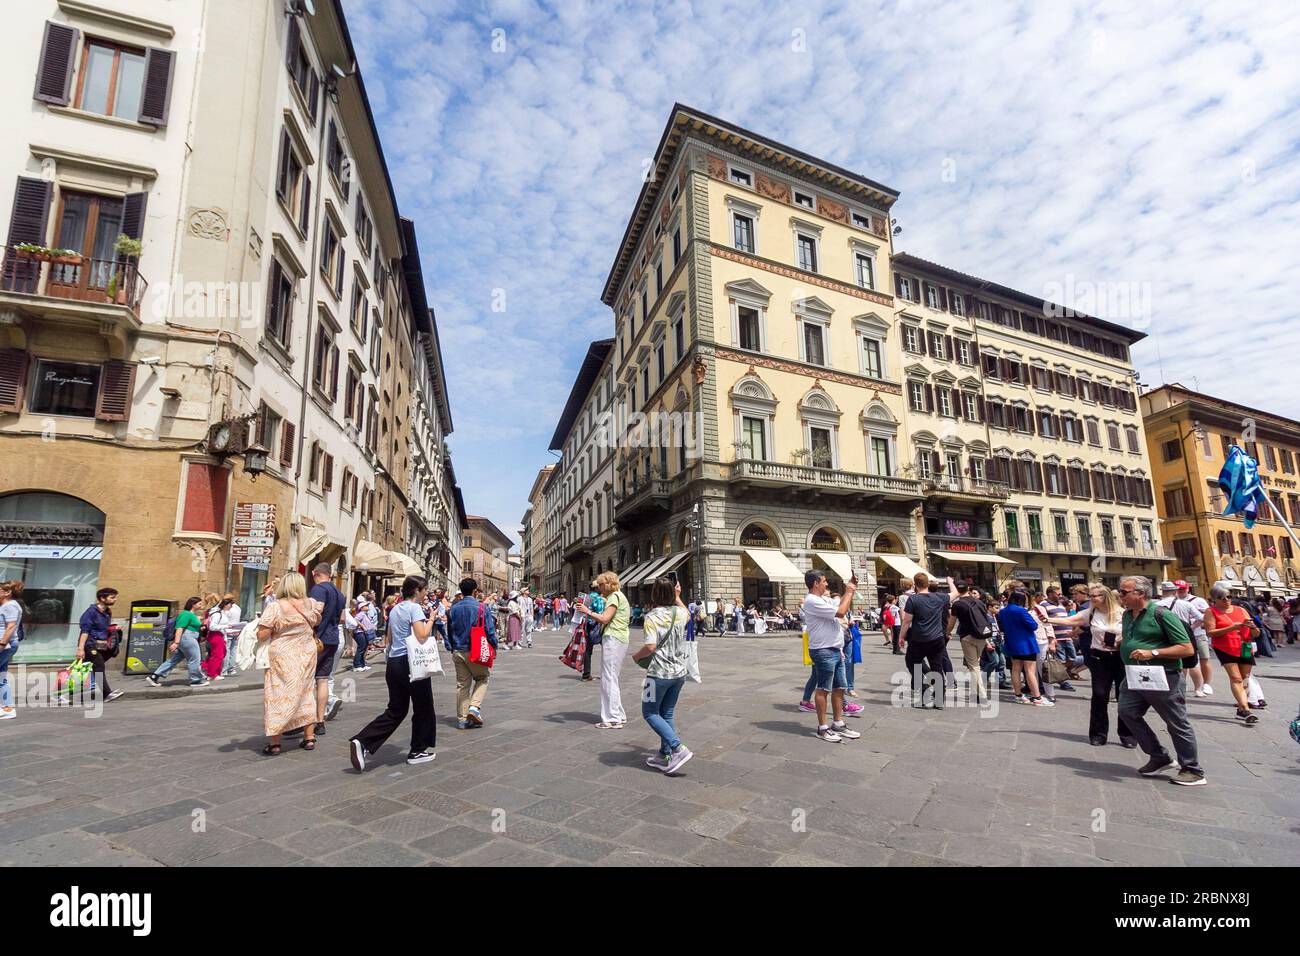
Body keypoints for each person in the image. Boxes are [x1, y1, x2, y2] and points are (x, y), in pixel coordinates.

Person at [1116, 576, 1206, 786]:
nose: (1120, 595)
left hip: (1164, 675)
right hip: (1134, 675)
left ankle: (1192, 769)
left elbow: (1186, 648)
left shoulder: (1162, 614)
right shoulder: (1129, 614)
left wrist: (1152, 652)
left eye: (1124, 592)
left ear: (1140, 593)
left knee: (1176, 722)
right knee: (1127, 713)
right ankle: (1159, 756)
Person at [349, 575, 438, 770]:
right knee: (424, 707)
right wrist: (431, 619)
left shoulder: (396, 608)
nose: (426, 594)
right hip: (411, 662)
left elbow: (388, 639)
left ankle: (363, 741)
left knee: (396, 710)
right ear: (417, 590)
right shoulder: (414, 608)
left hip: (395, 662)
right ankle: (418, 750)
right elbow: (422, 635)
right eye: (424, 590)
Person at [1051, 585, 1135, 745]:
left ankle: (1127, 735)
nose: (1092, 598)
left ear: (1106, 597)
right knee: (1100, 695)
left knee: (1123, 696)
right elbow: (1070, 620)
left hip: (1121, 657)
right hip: (1099, 658)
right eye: (1090, 595)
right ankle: (1098, 734)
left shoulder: (1124, 613)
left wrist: (1121, 642)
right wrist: (1047, 619)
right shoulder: (1091, 612)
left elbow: (1133, 633)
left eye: (1095, 596)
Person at [255, 572, 321, 755]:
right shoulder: (311, 605)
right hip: (307, 653)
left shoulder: (276, 607)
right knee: (306, 692)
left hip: (283, 655)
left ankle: (275, 743)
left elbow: (262, 635)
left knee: (278, 694)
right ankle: (309, 737)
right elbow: (317, 622)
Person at [635, 577, 696, 773]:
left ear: (654, 594)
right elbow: (688, 614)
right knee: (666, 712)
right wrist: (678, 597)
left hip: (656, 675)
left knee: (649, 712)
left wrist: (636, 657)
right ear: (672, 593)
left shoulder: (652, 617)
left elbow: (650, 646)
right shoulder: (679, 613)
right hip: (679, 674)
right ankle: (664, 754)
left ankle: (677, 748)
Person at [802, 570, 861, 742]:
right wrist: (849, 590)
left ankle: (838, 723)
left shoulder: (822, 599)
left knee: (840, 688)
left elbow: (841, 604)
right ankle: (822, 727)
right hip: (823, 650)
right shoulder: (812, 601)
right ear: (816, 583)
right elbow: (841, 612)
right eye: (824, 581)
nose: (827, 584)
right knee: (823, 689)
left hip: (836, 649)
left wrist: (850, 588)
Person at [575, 571, 630, 729]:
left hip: (613, 638)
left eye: (600, 584)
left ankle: (612, 718)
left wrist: (588, 611)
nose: (598, 587)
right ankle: (618, 714)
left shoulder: (614, 597)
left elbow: (605, 618)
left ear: (608, 583)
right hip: (620, 637)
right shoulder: (619, 595)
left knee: (608, 678)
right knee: (612, 677)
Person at [1201, 584, 1260, 725]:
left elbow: (1256, 633)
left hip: (1244, 646)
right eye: (1222, 598)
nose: (1226, 600)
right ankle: (1245, 709)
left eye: (1229, 596)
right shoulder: (1211, 611)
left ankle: (1241, 708)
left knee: (1245, 678)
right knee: (1236, 678)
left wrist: (1253, 628)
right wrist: (1232, 627)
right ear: (1214, 599)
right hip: (1225, 647)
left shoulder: (1241, 610)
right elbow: (1210, 632)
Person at [900, 572, 957, 708]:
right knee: (937, 667)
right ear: (927, 584)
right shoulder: (939, 597)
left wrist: (901, 637)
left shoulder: (913, 600)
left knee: (912, 663)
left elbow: (907, 621)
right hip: (937, 639)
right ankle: (939, 700)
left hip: (918, 639)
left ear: (915, 585)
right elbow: (955, 593)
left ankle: (924, 688)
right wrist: (950, 581)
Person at [446, 576, 497, 729]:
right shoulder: (482, 607)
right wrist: (494, 647)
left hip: (459, 650)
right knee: (482, 678)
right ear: (475, 591)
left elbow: (449, 631)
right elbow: (490, 631)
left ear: (461, 591)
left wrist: (452, 647)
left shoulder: (453, 608)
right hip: (476, 649)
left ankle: (462, 720)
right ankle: (474, 707)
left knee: (462, 685)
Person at [307, 563, 346, 734]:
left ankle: (305, 721)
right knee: (322, 679)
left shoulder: (319, 589)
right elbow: (343, 619)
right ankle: (320, 721)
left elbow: (317, 612)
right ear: (330, 574)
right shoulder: (340, 593)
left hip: (317, 639)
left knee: (307, 680)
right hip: (333, 638)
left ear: (315, 573)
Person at [996, 590, 1052, 706]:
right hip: (1026, 643)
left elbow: (1001, 626)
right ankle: (1037, 697)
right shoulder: (1021, 611)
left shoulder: (1003, 611)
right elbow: (1033, 626)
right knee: (1030, 671)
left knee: (1015, 670)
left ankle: (1018, 695)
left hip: (1012, 643)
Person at [147, 596, 208, 688]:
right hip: (188, 639)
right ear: (193, 604)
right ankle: (196, 680)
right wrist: (176, 643)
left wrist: (200, 626)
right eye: (199, 603)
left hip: (187, 638)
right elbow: (180, 628)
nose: (201, 605)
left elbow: (190, 626)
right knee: (194, 659)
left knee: (174, 660)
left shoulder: (191, 615)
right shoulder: (186, 614)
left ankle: (154, 676)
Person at [951, 583, 994, 702]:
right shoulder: (979, 602)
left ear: (958, 591)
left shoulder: (957, 604)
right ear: (968, 589)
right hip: (981, 635)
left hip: (967, 636)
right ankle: (975, 692)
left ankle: (982, 694)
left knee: (973, 666)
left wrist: (947, 632)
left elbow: (952, 622)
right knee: (976, 664)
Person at [0, 580, 24, 719]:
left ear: (8, 592)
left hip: (5, 644)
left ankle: (6, 708)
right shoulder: (7, 605)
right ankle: (8, 708)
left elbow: (11, 626)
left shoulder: (10, 606)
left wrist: (2, 643)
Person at [202, 593, 238, 681]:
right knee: (217, 655)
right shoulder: (217, 613)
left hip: (220, 635)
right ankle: (211, 673)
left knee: (221, 654)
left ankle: (213, 671)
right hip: (216, 635)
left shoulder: (220, 612)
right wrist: (227, 626)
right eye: (230, 604)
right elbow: (212, 627)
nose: (231, 606)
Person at [353, 596, 376, 671]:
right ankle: (357, 665)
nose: (367, 606)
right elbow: (355, 619)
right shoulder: (361, 614)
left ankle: (362, 664)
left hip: (364, 633)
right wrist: (362, 626)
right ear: (361, 608)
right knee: (361, 647)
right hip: (359, 632)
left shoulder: (365, 614)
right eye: (365, 606)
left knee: (365, 647)